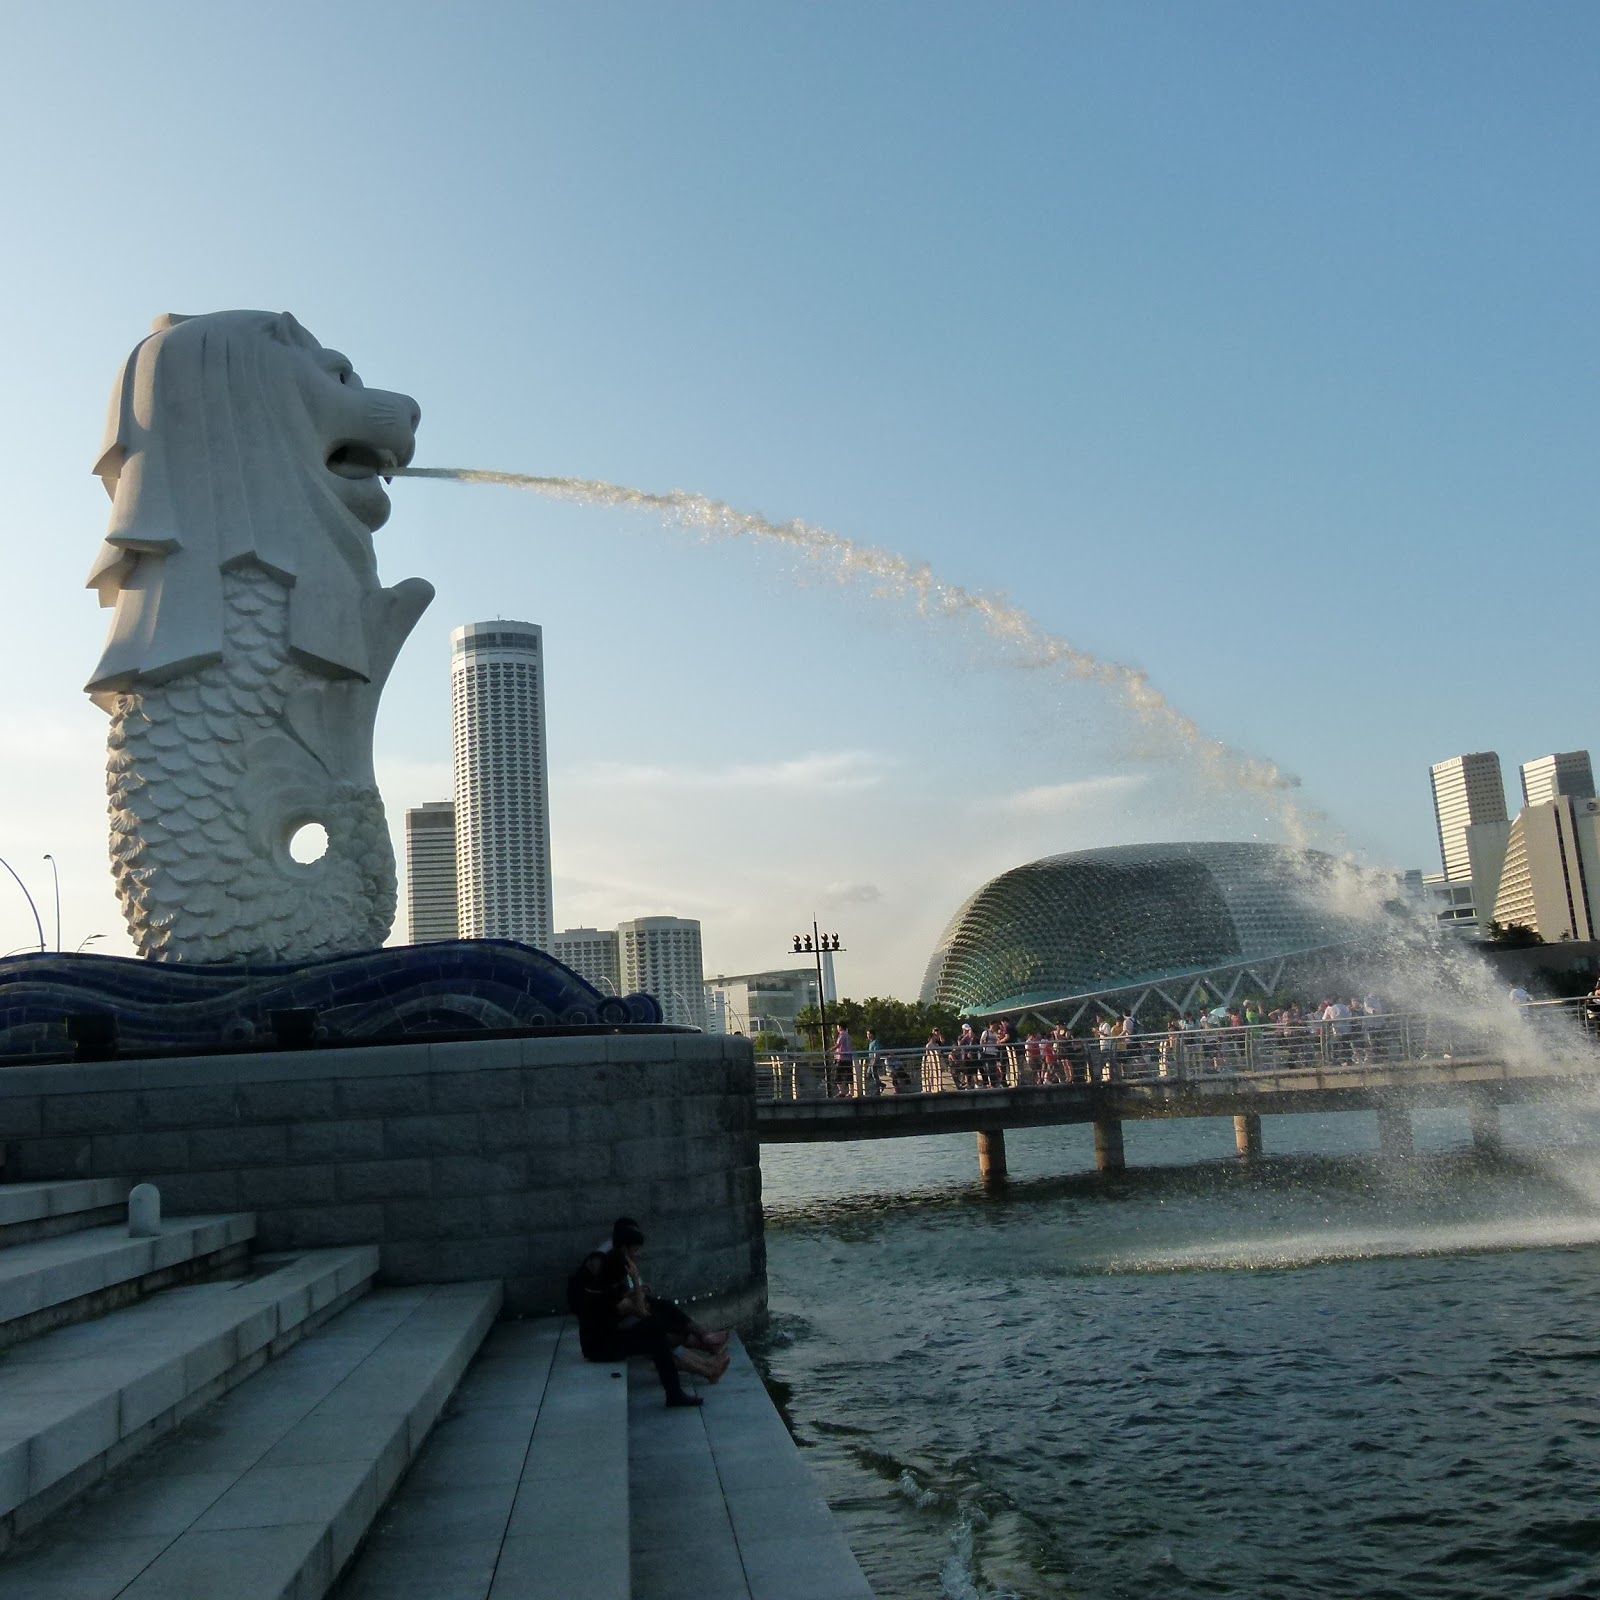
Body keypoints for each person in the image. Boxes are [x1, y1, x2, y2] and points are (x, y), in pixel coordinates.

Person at [570, 1220, 728, 1407]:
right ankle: (687, 1379)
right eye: (635, 1252)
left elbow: (625, 1301)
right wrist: (635, 1280)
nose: (638, 1256)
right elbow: (642, 1312)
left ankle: (688, 1379)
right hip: (599, 1348)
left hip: (605, 1339)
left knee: (657, 1324)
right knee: (655, 1330)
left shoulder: (608, 1284)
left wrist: (635, 1290)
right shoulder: (611, 1291)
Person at [833, 1023, 855, 1098]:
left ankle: (841, 1092)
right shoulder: (848, 1036)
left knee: (837, 1075)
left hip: (842, 1058)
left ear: (840, 1027)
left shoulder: (842, 1035)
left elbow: (839, 1044)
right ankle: (851, 1092)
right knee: (849, 1074)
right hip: (848, 1058)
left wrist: (830, 1050)